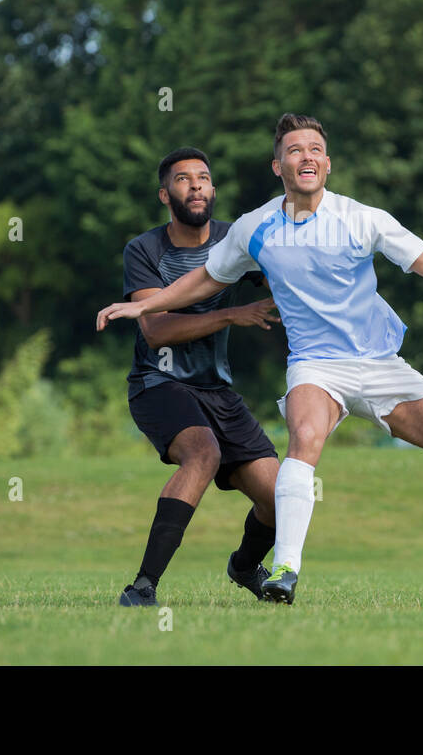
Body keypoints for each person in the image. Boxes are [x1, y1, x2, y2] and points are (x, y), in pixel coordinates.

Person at [97, 115, 423, 607]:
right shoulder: (254, 228)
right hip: (316, 365)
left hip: (380, 363)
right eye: (294, 150)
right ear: (277, 165)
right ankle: (284, 570)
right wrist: (144, 305)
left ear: (327, 164)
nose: (306, 156)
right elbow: (205, 280)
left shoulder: (363, 219)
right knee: (304, 439)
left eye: (314, 149)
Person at [111, 147, 281, 607]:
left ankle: (245, 566)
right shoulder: (144, 250)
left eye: (204, 177)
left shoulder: (234, 240)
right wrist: (232, 316)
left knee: (283, 498)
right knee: (202, 453)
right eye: (184, 180)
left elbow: (281, 280)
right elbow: (158, 329)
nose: (197, 186)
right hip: (158, 384)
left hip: (217, 391)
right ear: (165, 195)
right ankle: (142, 587)